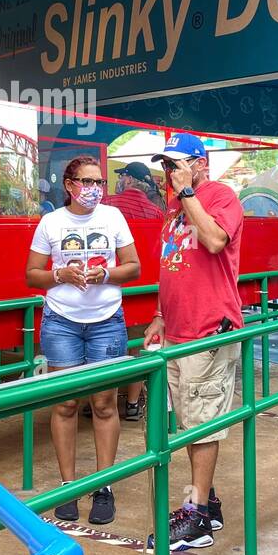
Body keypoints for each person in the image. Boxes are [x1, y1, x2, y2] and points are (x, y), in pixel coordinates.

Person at [25, 155, 141, 525]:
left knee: (105, 403)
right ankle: (69, 486)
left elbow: (134, 266)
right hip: (61, 322)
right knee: (66, 403)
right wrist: (59, 274)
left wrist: (105, 273)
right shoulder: (51, 222)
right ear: (69, 185)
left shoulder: (114, 218)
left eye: (100, 183)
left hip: (107, 320)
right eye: (87, 182)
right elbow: (31, 275)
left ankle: (103, 487)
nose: (95, 189)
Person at [143, 134, 243, 552]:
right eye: (165, 166)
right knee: (189, 421)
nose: (169, 173)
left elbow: (216, 240)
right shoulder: (174, 207)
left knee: (201, 424)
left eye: (177, 164)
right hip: (178, 328)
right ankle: (207, 501)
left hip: (208, 328)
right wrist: (161, 315)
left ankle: (197, 515)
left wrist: (187, 192)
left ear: (200, 163)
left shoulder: (220, 196)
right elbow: (173, 263)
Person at [101, 160, 162, 420]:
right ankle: (134, 404)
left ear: (127, 179)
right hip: (144, 289)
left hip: (109, 287)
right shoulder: (156, 212)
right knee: (137, 347)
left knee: (105, 349)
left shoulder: (109, 207)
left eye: (121, 176)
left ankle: (103, 402)